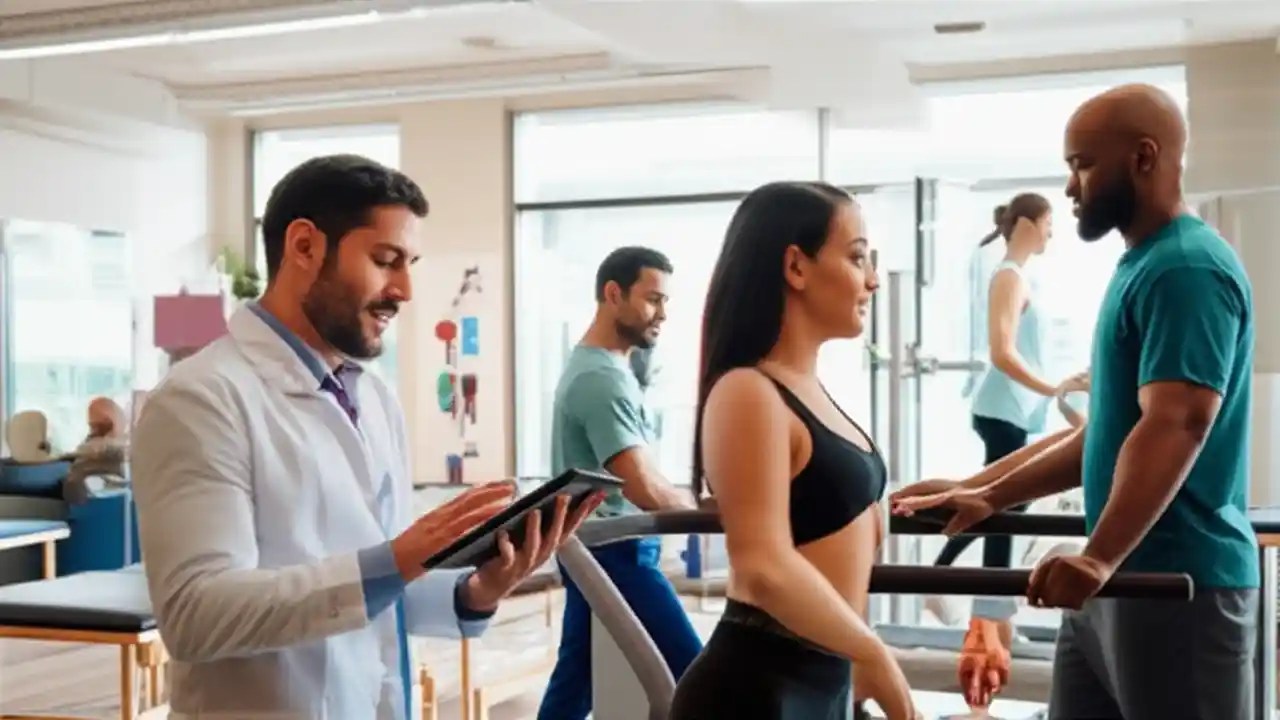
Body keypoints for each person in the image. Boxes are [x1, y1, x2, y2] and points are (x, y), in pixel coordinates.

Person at [131, 154, 602, 720]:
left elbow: (378, 590)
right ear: (304, 247)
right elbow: (195, 616)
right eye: (385, 261)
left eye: (410, 264)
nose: (403, 289)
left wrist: (473, 589)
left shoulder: (373, 399)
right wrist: (396, 560)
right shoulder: (200, 399)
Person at [894, 83, 1258, 720]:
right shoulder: (1141, 266)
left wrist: (1098, 555)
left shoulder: (1186, 270)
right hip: (1114, 582)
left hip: (1176, 583)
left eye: (1082, 165)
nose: (1069, 188)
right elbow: (1106, 435)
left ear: (1144, 158)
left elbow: (1179, 423)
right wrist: (984, 490)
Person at [667, 182, 917, 720]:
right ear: (796, 267)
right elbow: (762, 564)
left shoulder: (809, 392)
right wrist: (871, 651)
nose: (872, 280)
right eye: (856, 258)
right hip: (756, 692)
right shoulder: (747, 392)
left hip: (822, 682)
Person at [536, 246, 702, 720]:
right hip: (614, 552)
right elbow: (642, 486)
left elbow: (642, 475)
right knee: (697, 676)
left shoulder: (607, 369)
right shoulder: (601, 378)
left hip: (603, 548)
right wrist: (722, 513)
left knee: (574, 684)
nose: (663, 314)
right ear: (613, 294)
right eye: (653, 299)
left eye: (666, 302)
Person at [924, 193, 1067, 654]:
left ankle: (964, 595)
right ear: (1027, 223)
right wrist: (1052, 389)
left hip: (1015, 411)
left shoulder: (1019, 276)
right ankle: (985, 614)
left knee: (1001, 510)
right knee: (999, 510)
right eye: (1048, 222)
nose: (1051, 232)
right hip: (1002, 410)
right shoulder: (1008, 276)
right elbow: (1002, 353)